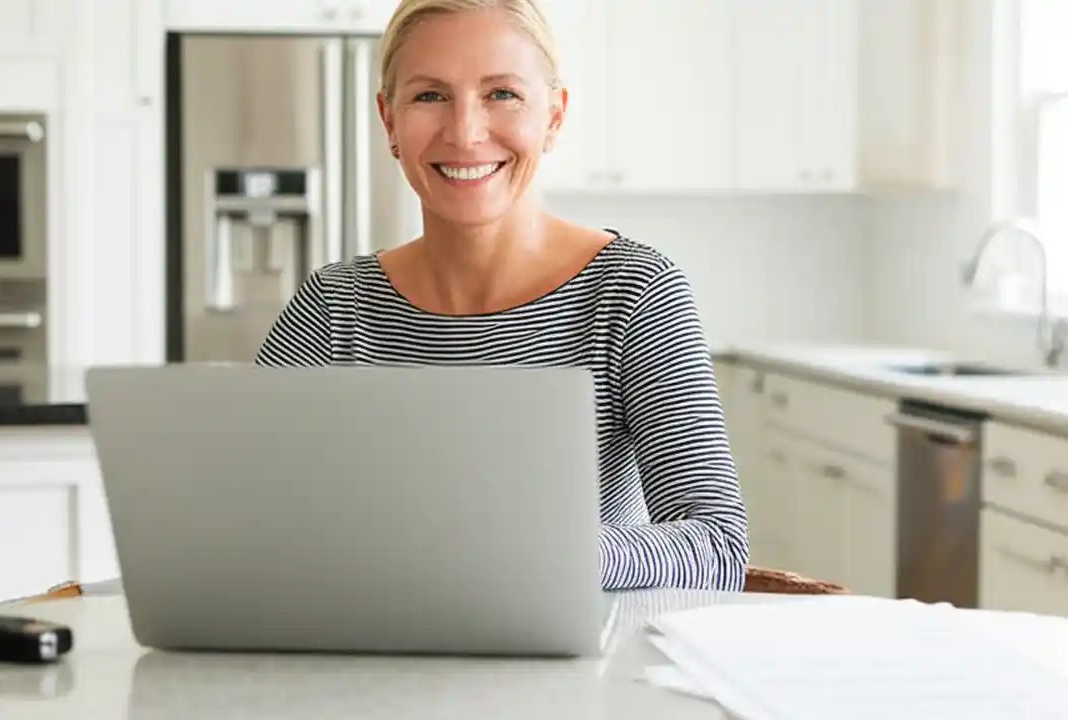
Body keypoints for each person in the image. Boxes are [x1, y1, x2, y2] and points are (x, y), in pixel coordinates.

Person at [254, 0, 748, 591]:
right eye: (430, 96)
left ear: (554, 117)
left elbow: (716, 545)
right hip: (373, 660)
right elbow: (247, 517)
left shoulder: (632, 290)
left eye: (502, 94)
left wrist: (520, 550)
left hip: (570, 674)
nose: (465, 132)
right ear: (389, 121)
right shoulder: (334, 307)